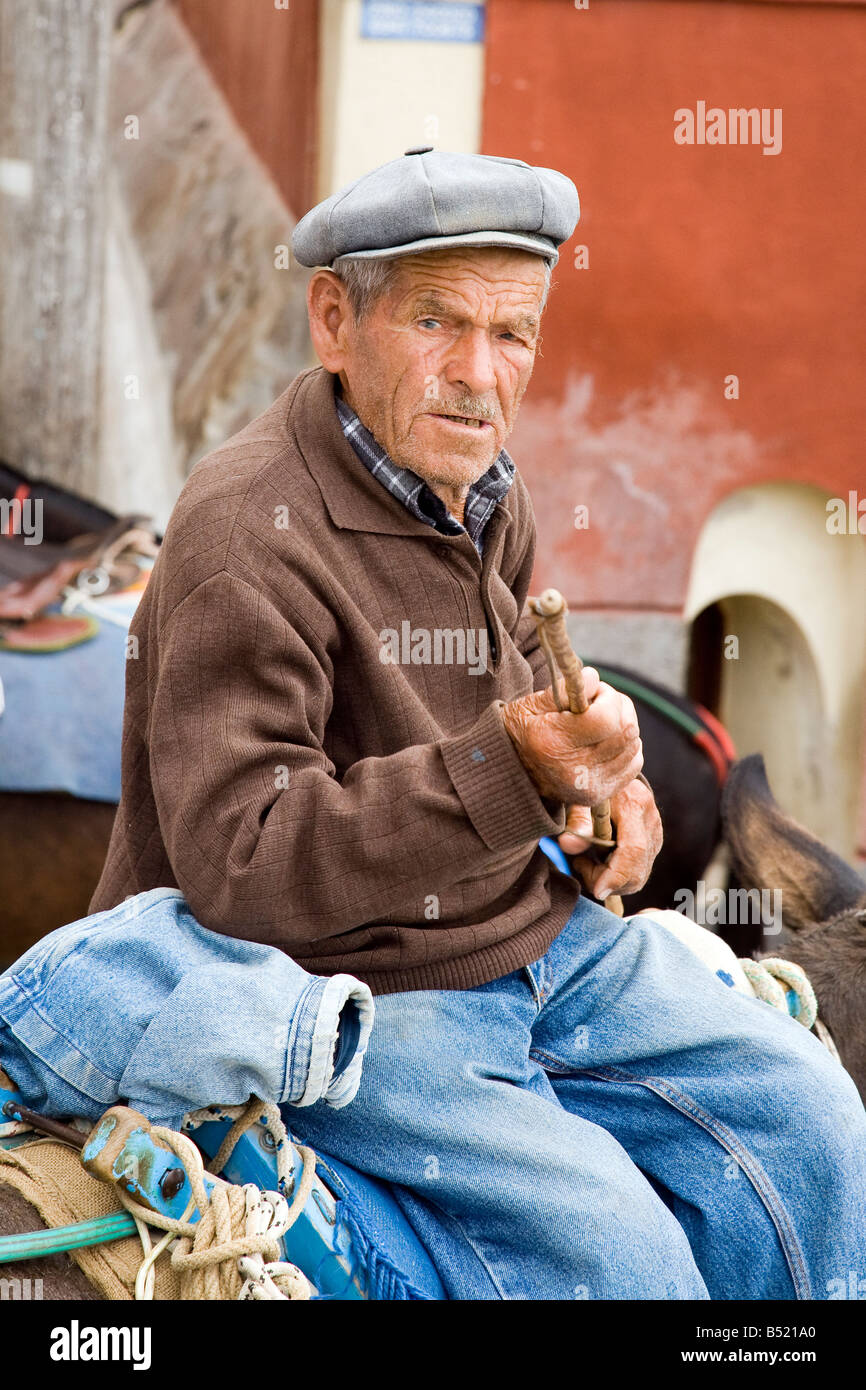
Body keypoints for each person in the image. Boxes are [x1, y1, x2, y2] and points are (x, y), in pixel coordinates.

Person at [89, 149, 866, 1299]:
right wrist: (507, 771)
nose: (478, 376)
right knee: (625, 1265)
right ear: (333, 321)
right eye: (436, 321)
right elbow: (239, 864)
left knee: (814, 1125)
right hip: (350, 990)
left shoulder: (484, 488)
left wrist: (603, 810)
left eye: (513, 334)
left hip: (537, 942)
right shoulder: (245, 534)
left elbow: (519, 738)